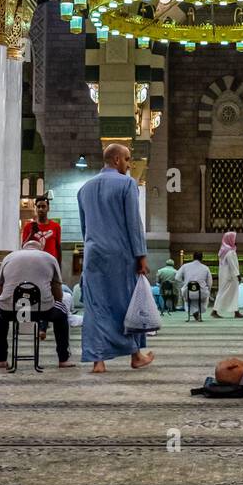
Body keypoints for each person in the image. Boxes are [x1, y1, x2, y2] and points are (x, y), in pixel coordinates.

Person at [77, 142, 154, 372]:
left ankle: (97, 361)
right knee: (127, 305)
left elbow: (85, 228)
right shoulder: (127, 184)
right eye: (128, 159)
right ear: (118, 160)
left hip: (93, 254)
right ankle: (135, 355)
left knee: (94, 307)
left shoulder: (85, 189)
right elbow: (134, 224)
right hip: (120, 255)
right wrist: (141, 255)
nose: (129, 164)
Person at [0, 236, 73, 370]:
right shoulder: (49, 257)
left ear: (23, 246)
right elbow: (57, 287)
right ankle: (63, 359)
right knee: (62, 311)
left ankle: (1, 359)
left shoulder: (9, 257)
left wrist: (7, 303)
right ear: (40, 248)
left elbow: (1, 287)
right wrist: (55, 302)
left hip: (12, 310)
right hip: (42, 310)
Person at [20, 192, 62, 263]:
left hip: (50, 263)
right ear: (35, 209)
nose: (41, 209)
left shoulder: (56, 226)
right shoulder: (28, 226)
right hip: (34, 263)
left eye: (43, 206)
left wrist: (59, 266)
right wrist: (31, 234)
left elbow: (58, 247)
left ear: (48, 208)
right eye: (38, 207)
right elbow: (23, 247)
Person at [211, 231, 243, 318]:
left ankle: (236, 312)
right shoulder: (229, 252)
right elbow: (232, 265)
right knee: (224, 293)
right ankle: (215, 311)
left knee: (229, 293)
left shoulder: (224, 250)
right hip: (231, 277)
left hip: (225, 276)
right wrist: (238, 275)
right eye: (234, 238)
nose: (236, 240)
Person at [176, 250, 213, 320]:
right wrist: (208, 290)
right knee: (205, 295)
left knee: (188, 298)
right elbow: (210, 282)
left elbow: (177, 277)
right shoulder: (205, 268)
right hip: (201, 293)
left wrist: (184, 283)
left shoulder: (185, 266)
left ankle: (193, 311)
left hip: (188, 292)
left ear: (193, 257)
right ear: (202, 258)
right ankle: (197, 311)